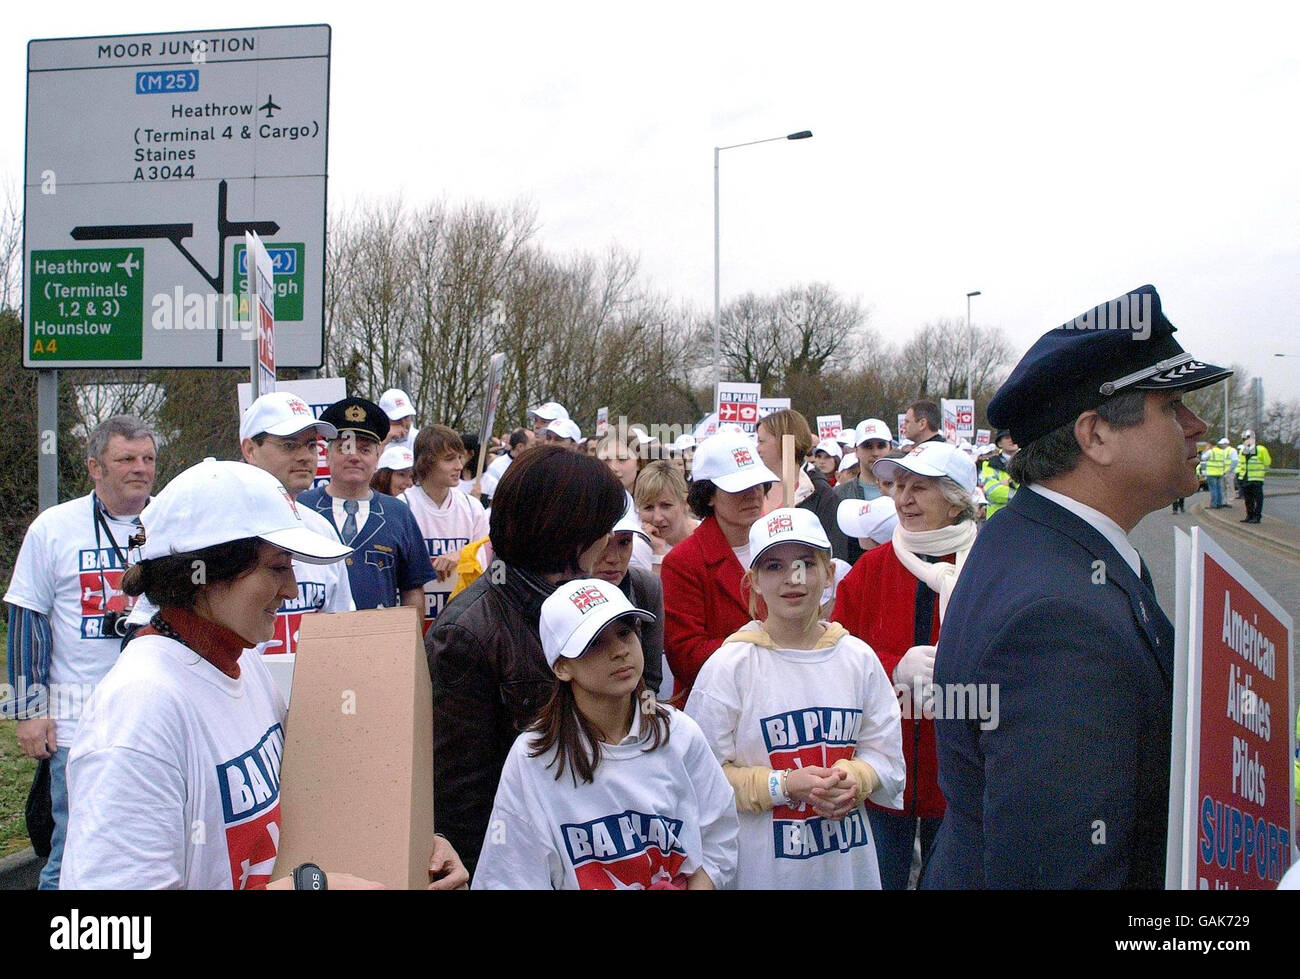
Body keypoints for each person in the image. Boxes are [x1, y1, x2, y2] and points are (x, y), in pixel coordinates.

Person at [925, 284, 1228, 889]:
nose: (1198, 426)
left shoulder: (1041, 540)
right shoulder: (1061, 618)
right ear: (1095, 436)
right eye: (1170, 407)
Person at [60, 460, 467, 891]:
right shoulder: (139, 711)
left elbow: (308, 808)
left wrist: (415, 847)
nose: (292, 589)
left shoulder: (242, 662)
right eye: (277, 568)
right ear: (206, 572)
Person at [426, 444, 627, 875]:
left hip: (601, 846)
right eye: (603, 526)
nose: (611, 541)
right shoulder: (465, 635)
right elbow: (461, 800)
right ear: (570, 534)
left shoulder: (609, 605)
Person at [686, 508, 904, 888]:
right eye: (773, 566)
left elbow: (887, 757)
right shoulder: (729, 667)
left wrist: (853, 777)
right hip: (763, 871)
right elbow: (700, 780)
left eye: (806, 563)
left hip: (845, 869)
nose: (793, 579)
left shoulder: (858, 659)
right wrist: (784, 786)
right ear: (753, 580)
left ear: (829, 573)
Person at [473, 577, 738, 889]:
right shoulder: (534, 756)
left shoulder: (679, 732)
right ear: (561, 666)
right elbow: (510, 874)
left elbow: (720, 836)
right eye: (595, 642)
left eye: (625, 632)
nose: (620, 651)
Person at [4, 415, 157, 889]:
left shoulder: (174, 520)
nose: (140, 468)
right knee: (73, 848)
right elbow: (28, 619)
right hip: (78, 719)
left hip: (156, 714)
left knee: (151, 844)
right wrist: (28, 711)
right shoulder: (55, 528)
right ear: (95, 467)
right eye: (126, 459)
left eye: (148, 459)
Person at [832, 441, 980, 889]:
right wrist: (893, 666)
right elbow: (835, 652)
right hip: (882, 769)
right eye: (899, 486)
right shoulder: (872, 567)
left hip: (963, 776)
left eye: (920, 488)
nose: (903, 499)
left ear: (955, 501)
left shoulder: (989, 566)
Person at [661, 431, 779, 704]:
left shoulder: (781, 546)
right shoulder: (684, 562)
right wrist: (768, 646)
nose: (752, 494)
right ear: (709, 495)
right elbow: (686, 657)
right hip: (717, 710)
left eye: (758, 484)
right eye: (738, 488)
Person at [296, 397, 434, 619]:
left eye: (365, 449)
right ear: (327, 455)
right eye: (344, 447)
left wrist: (410, 646)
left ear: (378, 457)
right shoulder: (301, 510)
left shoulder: (398, 513)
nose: (354, 457)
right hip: (312, 643)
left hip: (379, 645)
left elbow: (413, 590)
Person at [400, 425, 491, 633]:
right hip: (418, 621)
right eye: (450, 459)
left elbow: (490, 558)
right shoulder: (403, 506)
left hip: (462, 622)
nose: (459, 465)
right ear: (426, 463)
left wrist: (462, 555)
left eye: (460, 458)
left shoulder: (472, 507)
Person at [590, 503, 665, 696]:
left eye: (624, 542)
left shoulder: (646, 587)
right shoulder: (557, 593)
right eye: (604, 542)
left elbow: (651, 682)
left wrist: (647, 723)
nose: (614, 558)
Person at [757, 409, 849, 563]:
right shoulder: (751, 489)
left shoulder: (822, 495)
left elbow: (834, 558)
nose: (757, 448)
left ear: (782, 441)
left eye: (761, 441)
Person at [837, 418, 894, 565]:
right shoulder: (840, 494)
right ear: (856, 451)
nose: (875, 452)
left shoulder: (906, 491)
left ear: (891, 448)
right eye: (867, 446)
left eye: (881, 446)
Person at [634, 460, 699, 566]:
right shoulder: (637, 549)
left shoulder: (711, 535)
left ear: (686, 503)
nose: (657, 518)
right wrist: (658, 552)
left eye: (666, 506)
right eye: (648, 507)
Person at [479, 427, 530, 503]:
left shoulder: (530, 465)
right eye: (533, 445)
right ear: (520, 447)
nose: (536, 448)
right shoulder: (496, 466)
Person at [1239, 429, 1271, 524]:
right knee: (1248, 499)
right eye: (1244, 439)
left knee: (1258, 499)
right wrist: (1240, 477)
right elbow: (1241, 464)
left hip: (1256, 478)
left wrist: (1261, 472)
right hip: (1245, 478)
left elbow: (1267, 462)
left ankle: (1257, 517)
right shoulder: (1243, 451)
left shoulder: (1261, 449)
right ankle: (1249, 515)